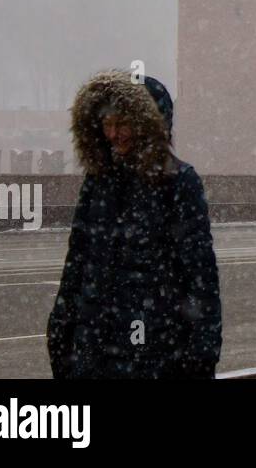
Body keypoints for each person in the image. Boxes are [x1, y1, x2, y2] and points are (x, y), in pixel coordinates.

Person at [47, 70, 222, 379]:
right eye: (107, 123)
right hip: (94, 356)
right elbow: (76, 266)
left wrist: (200, 355)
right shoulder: (97, 182)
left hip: (157, 357)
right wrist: (60, 335)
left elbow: (199, 277)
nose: (114, 133)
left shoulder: (178, 183)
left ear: (149, 125)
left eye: (123, 122)